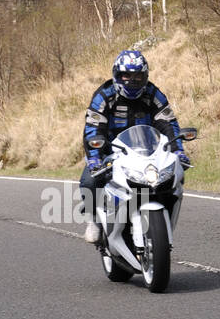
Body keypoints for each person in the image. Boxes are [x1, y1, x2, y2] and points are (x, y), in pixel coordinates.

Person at [80, 49, 190, 242]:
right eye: (126, 75)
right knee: (89, 180)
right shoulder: (104, 96)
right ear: (116, 75)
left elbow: (168, 123)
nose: (132, 80)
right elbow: (92, 128)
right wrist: (95, 157)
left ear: (145, 76)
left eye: (138, 76)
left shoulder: (153, 94)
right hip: (112, 153)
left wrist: (178, 150)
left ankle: (162, 222)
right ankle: (93, 220)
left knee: (175, 174)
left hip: (148, 152)